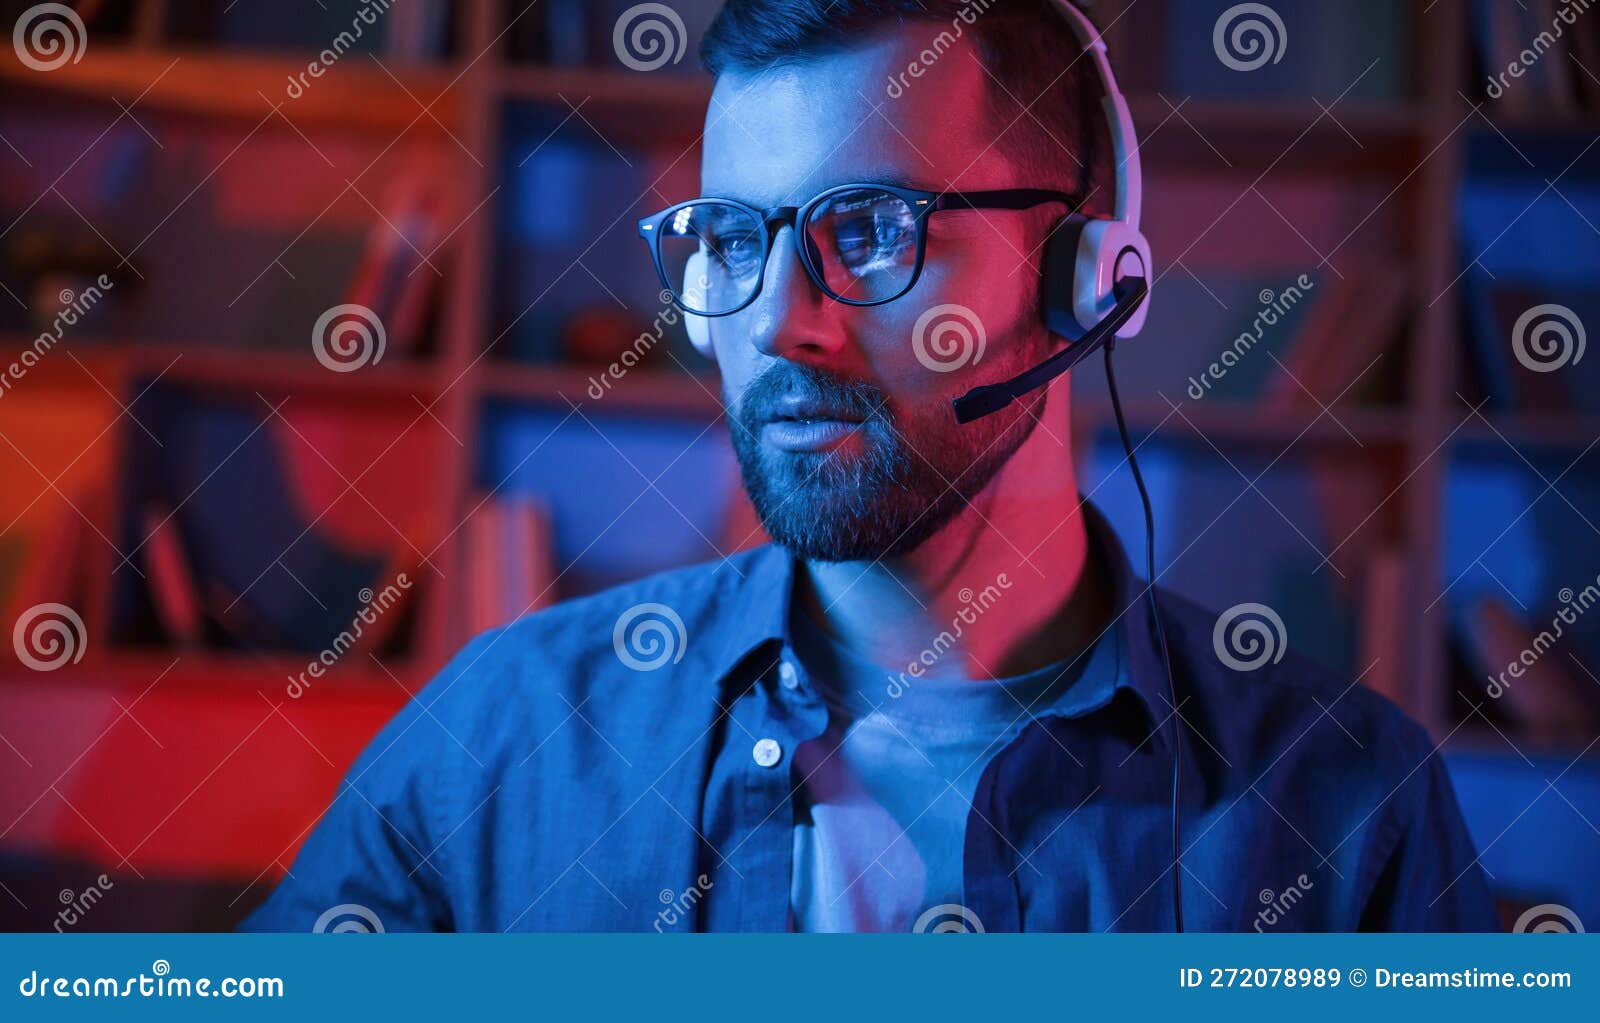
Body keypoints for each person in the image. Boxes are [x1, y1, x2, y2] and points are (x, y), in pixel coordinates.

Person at [242, 0, 1498, 933]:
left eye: (872, 229)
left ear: (1083, 279)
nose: (781, 322)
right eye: (731, 236)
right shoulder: (510, 734)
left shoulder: (1341, 811)